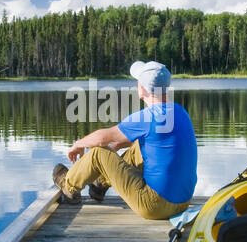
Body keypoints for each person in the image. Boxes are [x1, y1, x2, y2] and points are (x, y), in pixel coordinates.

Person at [52, 61, 197, 220]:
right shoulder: (179, 111)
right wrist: (108, 164)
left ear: (141, 88)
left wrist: (78, 144)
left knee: (98, 154)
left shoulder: (147, 117)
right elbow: (122, 140)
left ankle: (69, 187)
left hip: (154, 206)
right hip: (183, 202)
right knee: (138, 145)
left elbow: (101, 138)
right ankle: (99, 183)